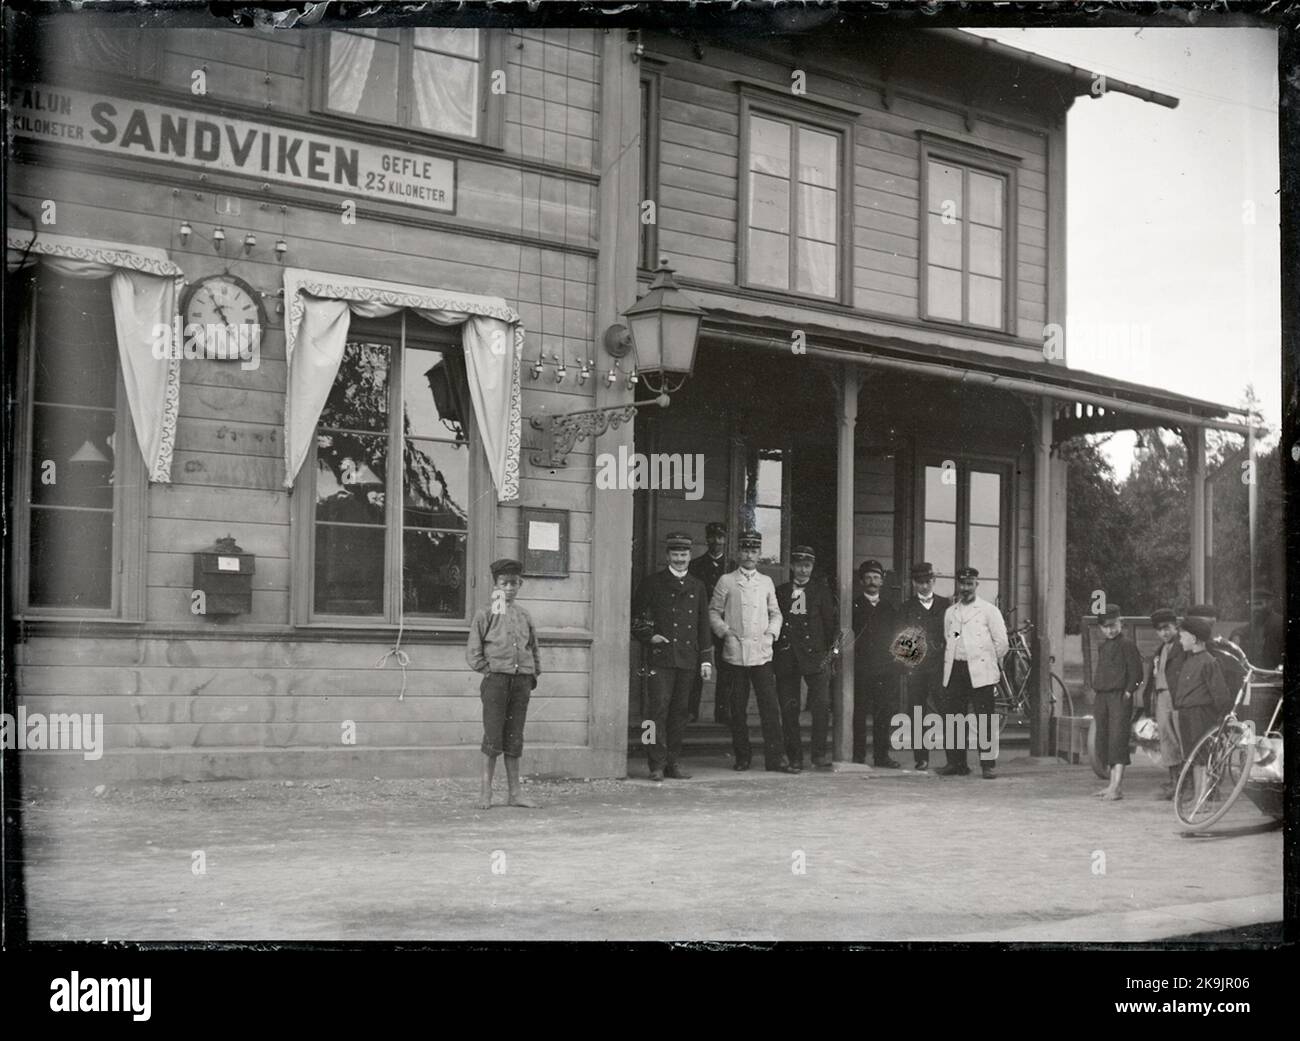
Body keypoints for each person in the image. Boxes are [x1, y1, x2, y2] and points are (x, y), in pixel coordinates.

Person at [631, 532, 714, 781]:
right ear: (667, 555)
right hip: (660, 657)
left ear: (690, 556)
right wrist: (650, 636)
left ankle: (673, 762)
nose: (680, 559)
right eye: (675, 554)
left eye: (684, 554)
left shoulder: (698, 586)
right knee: (655, 712)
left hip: (687, 659)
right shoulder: (652, 583)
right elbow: (635, 618)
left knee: (680, 712)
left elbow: (703, 625)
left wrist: (706, 659)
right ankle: (655, 764)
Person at [709, 529, 794, 772]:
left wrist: (771, 634)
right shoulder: (726, 581)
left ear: (759, 554)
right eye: (745, 550)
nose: (749, 555)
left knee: (769, 708)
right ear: (738, 552)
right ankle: (742, 756)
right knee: (737, 708)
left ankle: (775, 758)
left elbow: (776, 613)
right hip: (735, 653)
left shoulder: (766, 582)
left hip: (761, 654)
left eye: (753, 551)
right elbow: (713, 611)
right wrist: (725, 632)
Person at [466, 558, 541, 810]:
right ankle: (485, 793)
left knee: (514, 737)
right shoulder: (485, 614)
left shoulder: (524, 615)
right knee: (493, 737)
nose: (509, 588)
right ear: (495, 584)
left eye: (514, 583)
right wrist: (489, 671)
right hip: (496, 682)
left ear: (520, 584)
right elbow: (473, 651)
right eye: (504, 583)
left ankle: (515, 793)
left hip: (521, 682)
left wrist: (532, 674)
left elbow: (534, 647)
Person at [940, 566, 1008, 779]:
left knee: (984, 719)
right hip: (957, 669)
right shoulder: (952, 613)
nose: (966, 588)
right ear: (958, 585)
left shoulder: (988, 611)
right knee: (954, 717)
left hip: (980, 671)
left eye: (970, 584)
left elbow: (1001, 643)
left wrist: (986, 662)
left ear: (976, 585)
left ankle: (987, 765)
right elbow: (952, 637)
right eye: (962, 584)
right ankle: (956, 764)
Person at [774, 545, 838, 770]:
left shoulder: (821, 592)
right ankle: (795, 757)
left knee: (821, 706)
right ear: (792, 566)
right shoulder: (780, 592)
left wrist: (830, 657)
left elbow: (831, 627)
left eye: (807, 565)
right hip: (787, 656)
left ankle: (818, 755)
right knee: (789, 708)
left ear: (812, 567)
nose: (803, 570)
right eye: (799, 565)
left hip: (816, 657)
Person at [897, 562, 950, 771]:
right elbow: (901, 637)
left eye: (928, 582)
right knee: (917, 712)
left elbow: (954, 633)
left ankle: (953, 759)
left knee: (947, 711)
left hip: (940, 668)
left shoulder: (946, 605)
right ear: (914, 583)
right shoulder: (906, 607)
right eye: (920, 582)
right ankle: (922, 758)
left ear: (934, 581)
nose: (924, 586)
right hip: (917, 669)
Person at [1089, 605, 1144, 801]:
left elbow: (1137, 673)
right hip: (1102, 697)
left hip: (1119, 697)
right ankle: (1111, 784)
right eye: (1105, 627)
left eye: (1113, 625)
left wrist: (1129, 691)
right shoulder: (1103, 646)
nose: (1110, 630)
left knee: (1118, 739)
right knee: (1104, 738)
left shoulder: (1127, 645)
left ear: (1121, 623)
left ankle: (1117, 786)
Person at [1174, 615, 1230, 802]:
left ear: (1194, 638)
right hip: (1186, 714)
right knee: (1193, 757)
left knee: (1203, 758)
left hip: (1201, 715)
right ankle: (1199, 797)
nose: (1180, 640)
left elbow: (1221, 694)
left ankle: (1203, 798)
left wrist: (1222, 718)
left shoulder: (1209, 662)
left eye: (1182, 636)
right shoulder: (1189, 660)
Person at [852, 559, 901, 767]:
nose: (872, 581)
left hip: (885, 671)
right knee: (859, 713)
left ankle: (881, 756)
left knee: (884, 714)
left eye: (876, 578)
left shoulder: (889, 608)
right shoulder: (853, 606)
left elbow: (897, 637)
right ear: (862, 581)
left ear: (882, 582)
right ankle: (858, 756)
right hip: (861, 669)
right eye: (868, 578)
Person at [689, 521, 734, 724]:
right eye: (713, 537)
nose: (717, 541)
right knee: (698, 666)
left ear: (725, 540)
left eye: (721, 537)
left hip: (725, 624)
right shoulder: (695, 566)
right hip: (702, 624)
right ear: (707, 539)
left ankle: (722, 713)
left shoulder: (732, 568)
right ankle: (691, 712)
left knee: (726, 668)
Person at [1140, 607, 1185, 800]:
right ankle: (1175, 783)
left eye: (1167, 628)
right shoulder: (1161, 649)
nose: (1164, 633)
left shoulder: (1183, 646)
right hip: (1161, 698)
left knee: (1181, 740)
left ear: (1176, 626)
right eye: (1159, 630)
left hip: (1177, 698)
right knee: (1167, 741)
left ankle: (1186, 784)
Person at [1184, 604, 1245, 714]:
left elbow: (1232, 686)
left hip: (1211, 712)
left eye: (1209, 626)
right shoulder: (1181, 650)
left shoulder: (1225, 650)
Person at [1230, 588, 1284, 669]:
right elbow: (1243, 630)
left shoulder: (1280, 624)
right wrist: (1236, 635)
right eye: (1252, 604)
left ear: (1270, 604)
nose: (1255, 608)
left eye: (1259, 604)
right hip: (1256, 674)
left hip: (1275, 675)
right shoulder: (1255, 623)